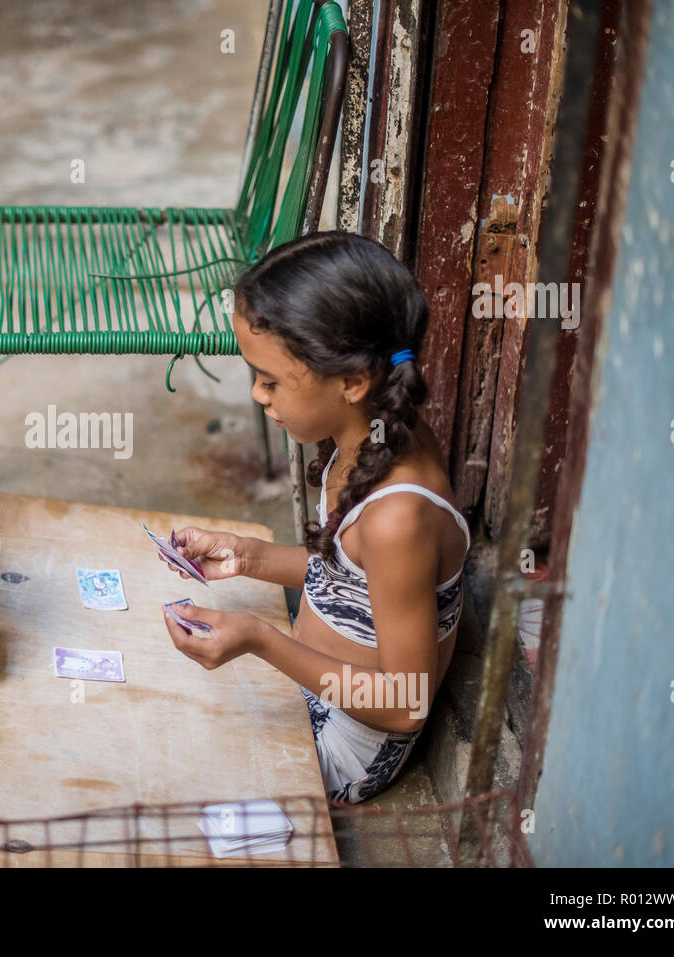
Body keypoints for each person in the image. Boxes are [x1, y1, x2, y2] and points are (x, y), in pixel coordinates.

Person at [159, 232, 469, 804]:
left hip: (342, 742)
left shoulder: (398, 518)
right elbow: (350, 583)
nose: (257, 395)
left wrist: (260, 639)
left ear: (352, 381)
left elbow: (406, 705)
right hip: (308, 684)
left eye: (271, 380)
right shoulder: (367, 432)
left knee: (152, 764)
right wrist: (246, 554)